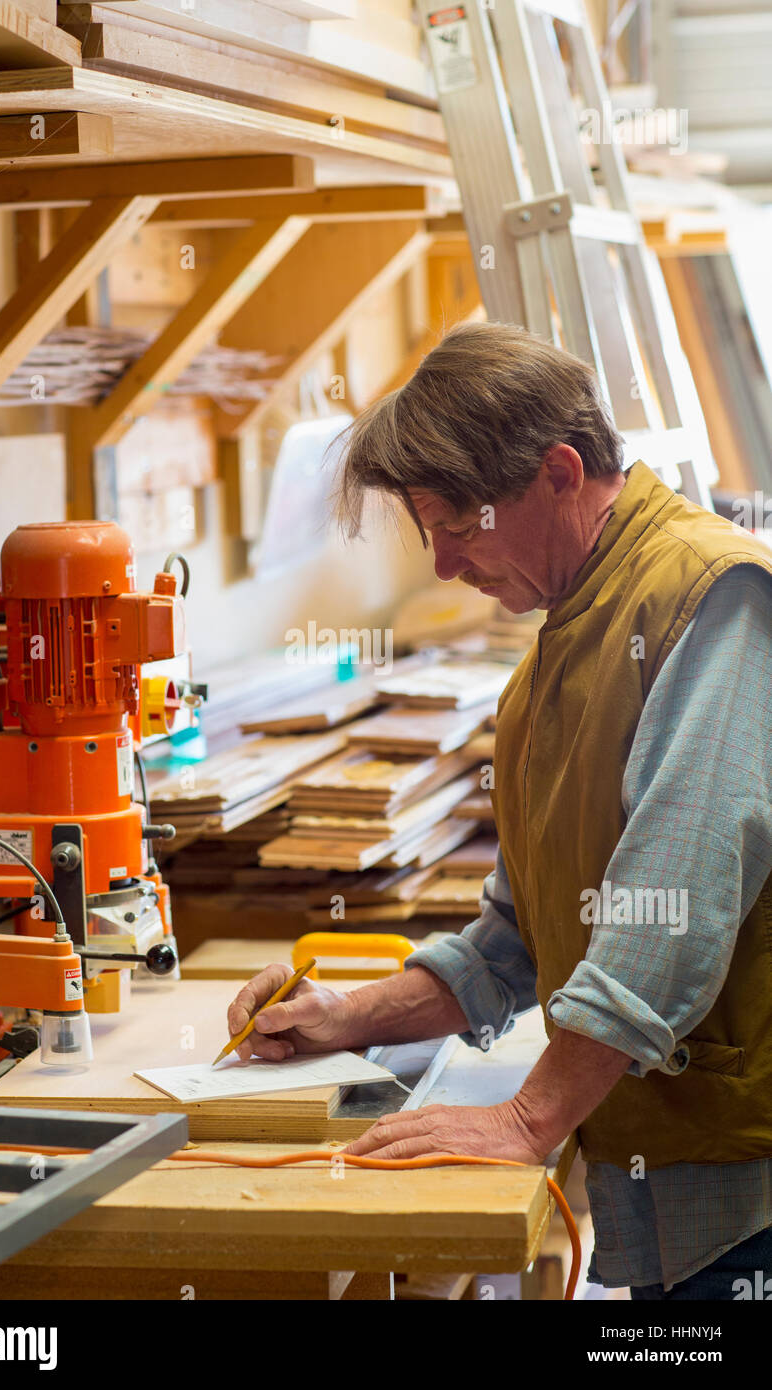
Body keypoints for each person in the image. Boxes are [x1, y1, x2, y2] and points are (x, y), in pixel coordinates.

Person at [225, 321, 772, 1300]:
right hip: (668, 1171)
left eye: (455, 524)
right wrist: (347, 1018)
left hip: (747, 1192)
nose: (441, 565)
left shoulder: (711, 596)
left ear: (560, 472)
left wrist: (525, 1120)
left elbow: (671, 910)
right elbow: (512, 942)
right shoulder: (555, 648)